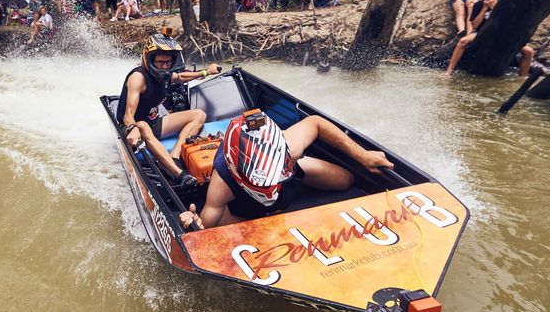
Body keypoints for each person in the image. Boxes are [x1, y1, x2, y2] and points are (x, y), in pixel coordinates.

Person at [179, 109, 393, 229]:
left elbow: (315, 122)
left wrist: (362, 155)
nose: (269, 186)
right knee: (226, 226)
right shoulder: (222, 183)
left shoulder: (291, 148)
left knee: (345, 180)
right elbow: (207, 225)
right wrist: (195, 225)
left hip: (290, 175)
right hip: (243, 204)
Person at [117, 33, 222, 187]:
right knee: (143, 125)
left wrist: (206, 72)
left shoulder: (163, 74)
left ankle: (174, 155)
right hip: (132, 129)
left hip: (152, 124)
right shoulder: (138, 78)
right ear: (150, 59)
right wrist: (132, 129)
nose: (165, 66)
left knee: (199, 115)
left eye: (168, 62)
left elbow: (180, 77)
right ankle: (179, 174)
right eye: (160, 62)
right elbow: (128, 115)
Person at [445, 0, 534, 77]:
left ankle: (522, 77)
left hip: (505, 33)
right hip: (482, 32)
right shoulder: (479, 5)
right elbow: (475, 25)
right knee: (463, 41)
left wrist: (494, 7)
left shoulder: (509, 5)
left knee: (528, 51)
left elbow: (506, 22)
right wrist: (484, 8)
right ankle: (449, 70)